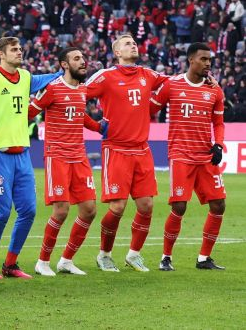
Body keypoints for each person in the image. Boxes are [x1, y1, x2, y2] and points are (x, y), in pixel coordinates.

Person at [0, 36, 60, 279]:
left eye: (21, 48)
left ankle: (11, 264)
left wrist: (64, 71)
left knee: (29, 211)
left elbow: (50, 78)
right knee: (1, 212)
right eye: (14, 49)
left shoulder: (26, 78)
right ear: (1, 54)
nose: (20, 52)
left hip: (22, 154)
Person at [85, 34, 169, 272]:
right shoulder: (105, 76)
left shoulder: (148, 74)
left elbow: (174, 83)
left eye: (134, 42)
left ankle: (134, 254)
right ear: (117, 53)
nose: (132, 45)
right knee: (118, 207)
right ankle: (104, 254)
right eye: (126, 43)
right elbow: (75, 93)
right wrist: (92, 123)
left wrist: (206, 80)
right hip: (116, 149)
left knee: (146, 205)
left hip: (142, 150)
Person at [151, 42, 227, 271]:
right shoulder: (172, 85)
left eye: (209, 60)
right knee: (180, 207)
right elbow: (148, 109)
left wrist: (219, 145)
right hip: (181, 155)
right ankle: (166, 257)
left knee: (219, 205)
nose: (208, 64)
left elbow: (219, 122)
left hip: (205, 156)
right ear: (191, 60)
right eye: (203, 59)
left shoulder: (215, 89)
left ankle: (204, 258)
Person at [28, 46, 103, 276]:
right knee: (61, 211)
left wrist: (101, 127)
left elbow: (80, 116)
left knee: (89, 210)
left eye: (83, 58)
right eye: (77, 58)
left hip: (79, 156)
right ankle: (42, 261)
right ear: (64, 64)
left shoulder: (82, 89)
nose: (83, 62)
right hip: (57, 155)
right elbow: (30, 112)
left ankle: (66, 260)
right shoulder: (51, 88)